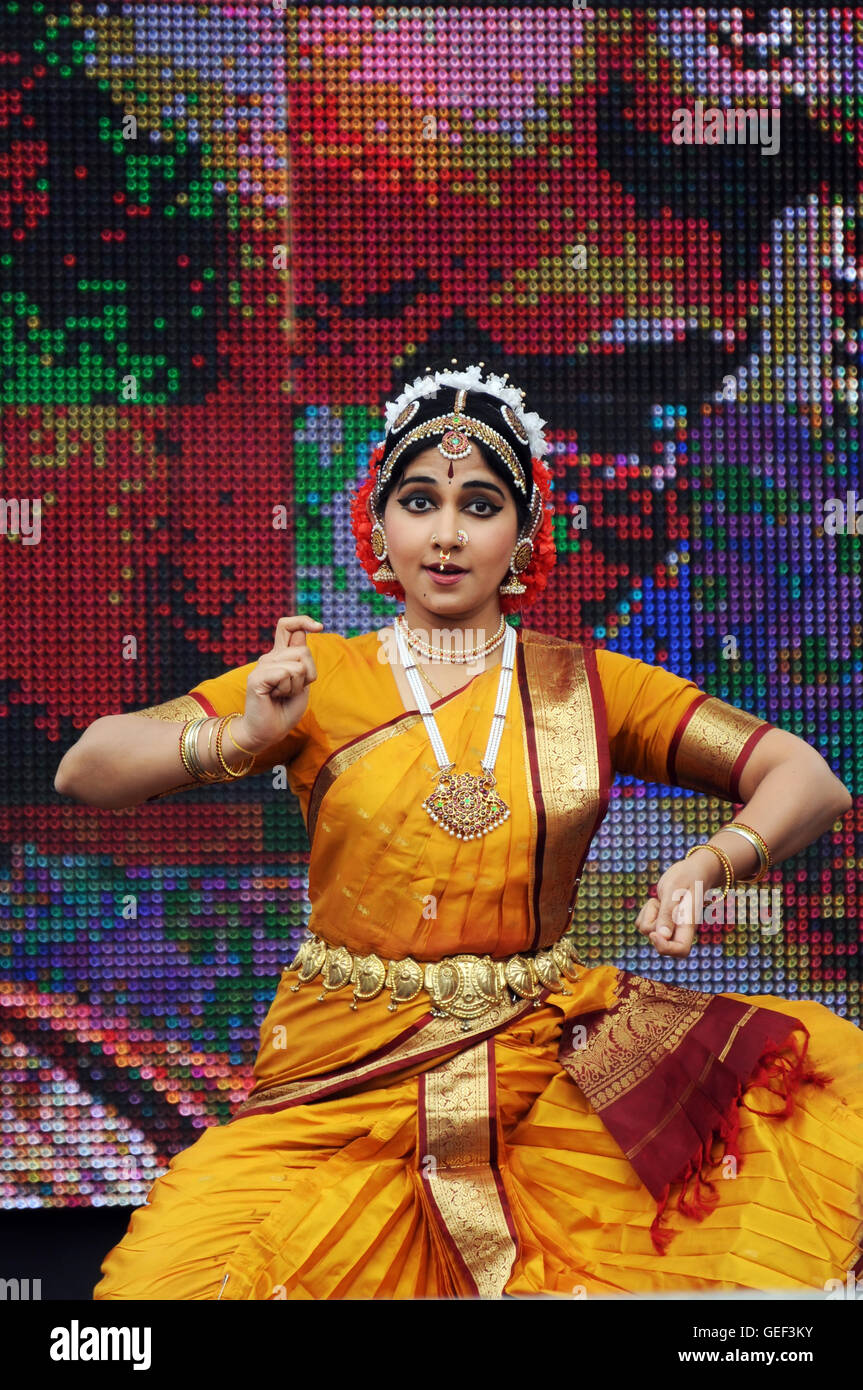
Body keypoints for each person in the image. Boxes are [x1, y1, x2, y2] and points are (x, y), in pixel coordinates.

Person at [57, 363, 862, 1300]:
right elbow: (88, 766)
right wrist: (238, 736)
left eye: (479, 506)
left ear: (522, 536)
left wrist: (707, 861)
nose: (445, 535)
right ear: (379, 523)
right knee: (176, 1291)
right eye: (418, 501)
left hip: (537, 1071)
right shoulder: (315, 676)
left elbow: (805, 776)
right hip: (338, 1081)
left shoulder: (589, 688)